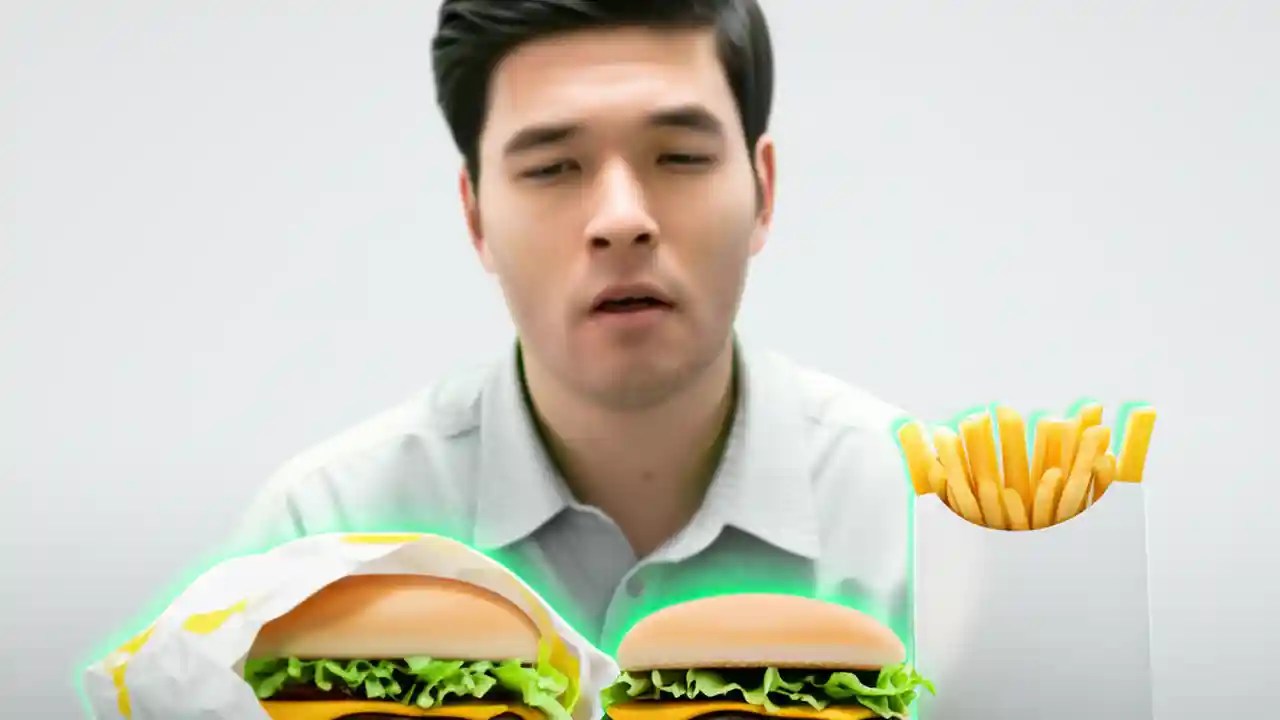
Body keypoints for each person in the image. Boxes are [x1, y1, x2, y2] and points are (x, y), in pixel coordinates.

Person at [230, 0, 915, 656]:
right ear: (476, 218)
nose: (621, 220)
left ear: (763, 191)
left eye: (678, 157)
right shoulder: (324, 534)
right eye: (553, 168)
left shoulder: (916, 526)